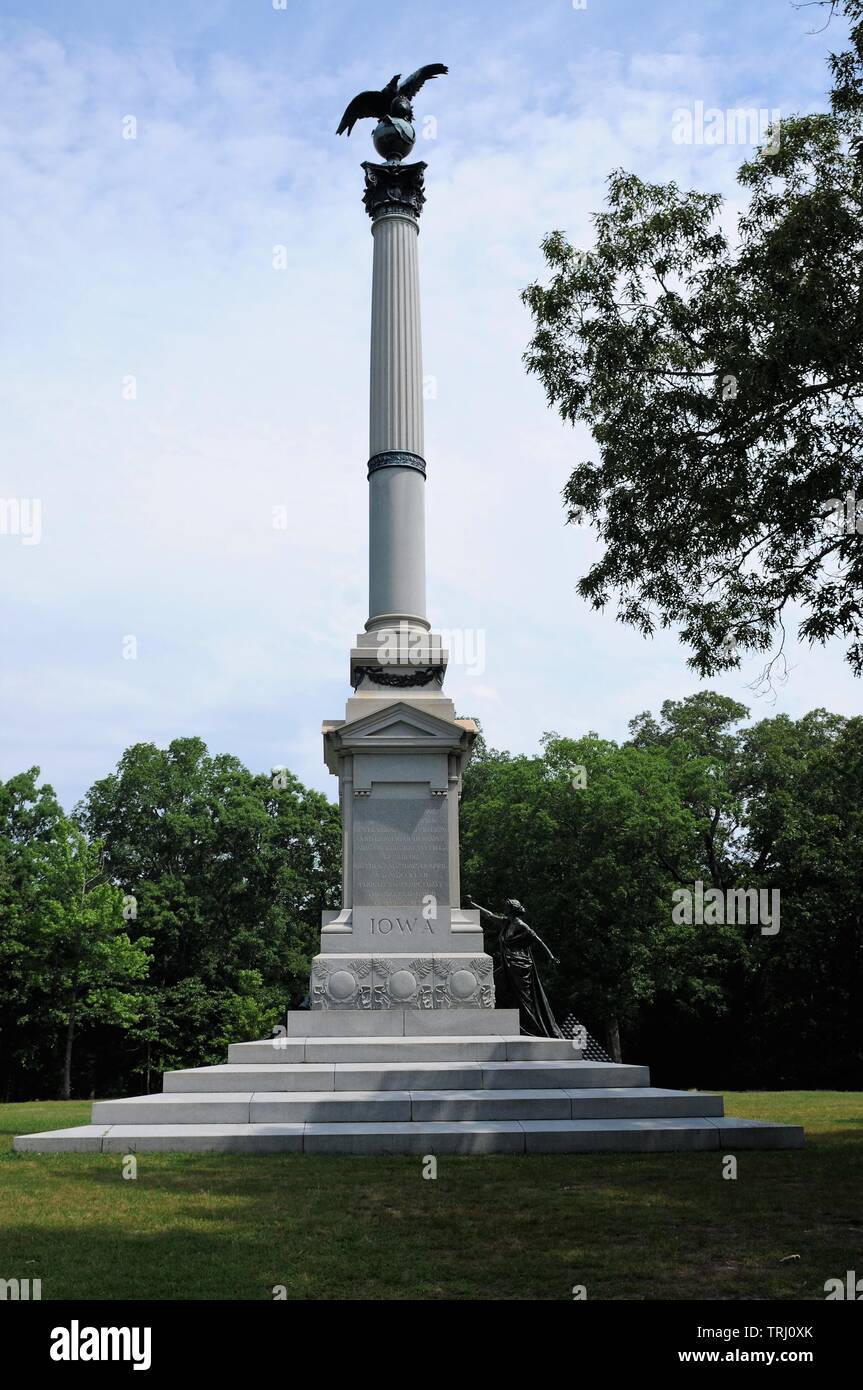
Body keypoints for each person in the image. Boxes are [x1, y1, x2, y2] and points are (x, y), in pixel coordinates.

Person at [466, 896, 564, 1039]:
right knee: (495, 985)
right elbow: (489, 915)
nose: (504, 909)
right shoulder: (506, 923)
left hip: (520, 966)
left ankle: (532, 1027)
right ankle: (512, 1022)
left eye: (506, 907)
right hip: (510, 965)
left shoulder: (521, 925)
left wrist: (551, 957)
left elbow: (538, 940)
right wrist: (472, 904)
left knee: (524, 998)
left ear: (512, 909)